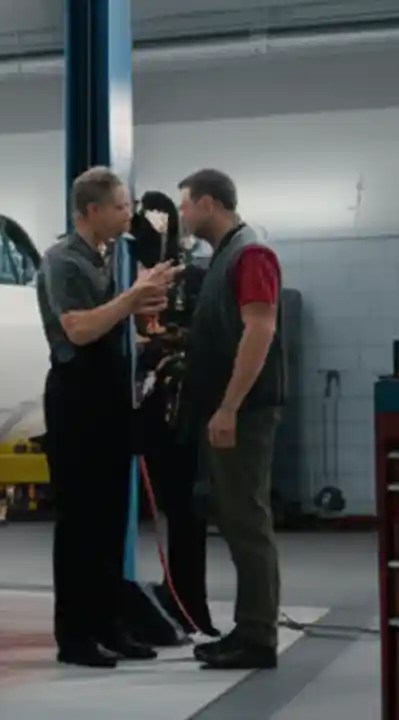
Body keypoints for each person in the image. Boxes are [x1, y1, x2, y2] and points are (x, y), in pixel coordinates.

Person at [36, 166, 180, 668]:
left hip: (111, 394)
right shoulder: (61, 260)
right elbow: (77, 328)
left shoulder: (107, 258)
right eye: (121, 206)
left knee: (111, 517)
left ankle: (108, 624)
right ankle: (73, 636)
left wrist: (144, 310)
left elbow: (115, 320)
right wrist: (130, 299)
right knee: (79, 521)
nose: (128, 214)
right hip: (77, 397)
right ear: (92, 210)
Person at [175, 168, 285, 670]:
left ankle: (258, 638)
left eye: (185, 205)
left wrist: (229, 406)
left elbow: (259, 329)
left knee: (247, 521)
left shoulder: (251, 252)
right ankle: (248, 628)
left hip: (244, 409)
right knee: (237, 518)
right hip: (227, 407)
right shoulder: (226, 255)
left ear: (209, 204)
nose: (180, 215)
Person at [130, 191, 220, 638]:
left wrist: (164, 348)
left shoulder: (195, 279)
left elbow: (204, 339)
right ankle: (170, 599)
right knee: (169, 508)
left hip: (180, 408)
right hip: (140, 408)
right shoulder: (126, 280)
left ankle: (188, 602)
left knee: (185, 510)